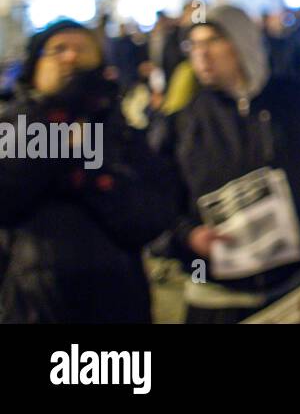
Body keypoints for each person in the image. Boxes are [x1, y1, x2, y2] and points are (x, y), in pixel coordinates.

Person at [151, 5, 300, 323]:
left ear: (242, 41)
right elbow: (156, 195)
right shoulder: (183, 121)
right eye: (194, 45)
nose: (202, 55)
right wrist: (187, 235)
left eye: (213, 42)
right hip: (217, 297)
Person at [0, 21, 176, 322]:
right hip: (34, 301)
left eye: (82, 50)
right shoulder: (13, 127)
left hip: (117, 299)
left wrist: (93, 178)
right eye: (58, 50)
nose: (70, 58)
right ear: (34, 66)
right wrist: (57, 139)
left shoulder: (120, 131)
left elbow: (153, 215)